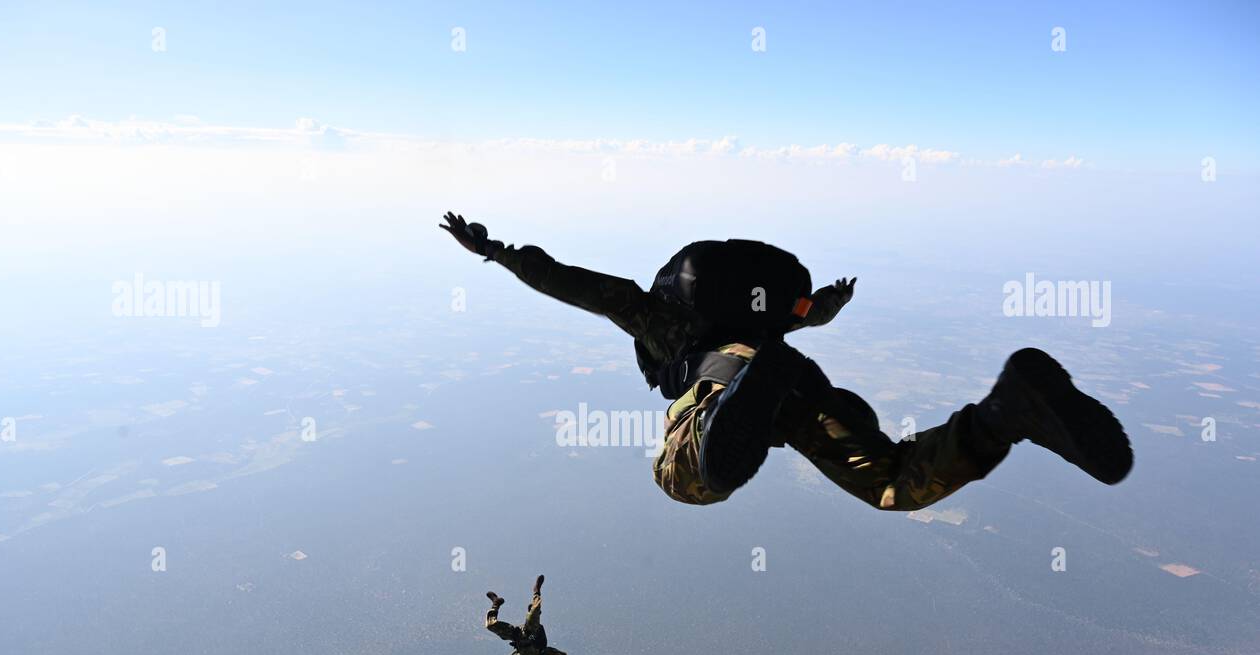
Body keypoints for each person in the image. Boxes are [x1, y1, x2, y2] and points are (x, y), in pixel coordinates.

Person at [439, 212, 1133, 509]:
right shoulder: (771, 325)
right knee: (891, 481)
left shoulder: (656, 315)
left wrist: (497, 253)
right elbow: (802, 315)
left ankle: (725, 420)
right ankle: (1006, 412)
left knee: (683, 479)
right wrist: (823, 307)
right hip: (791, 379)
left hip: (729, 374)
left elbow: (569, 281)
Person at [486, 574, 568, 655]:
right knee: (535, 609)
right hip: (531, 632)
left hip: (516, 635)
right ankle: (536, 592)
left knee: (490, 625)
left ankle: (496, 603)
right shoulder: (544, 651)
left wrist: (516, 648)